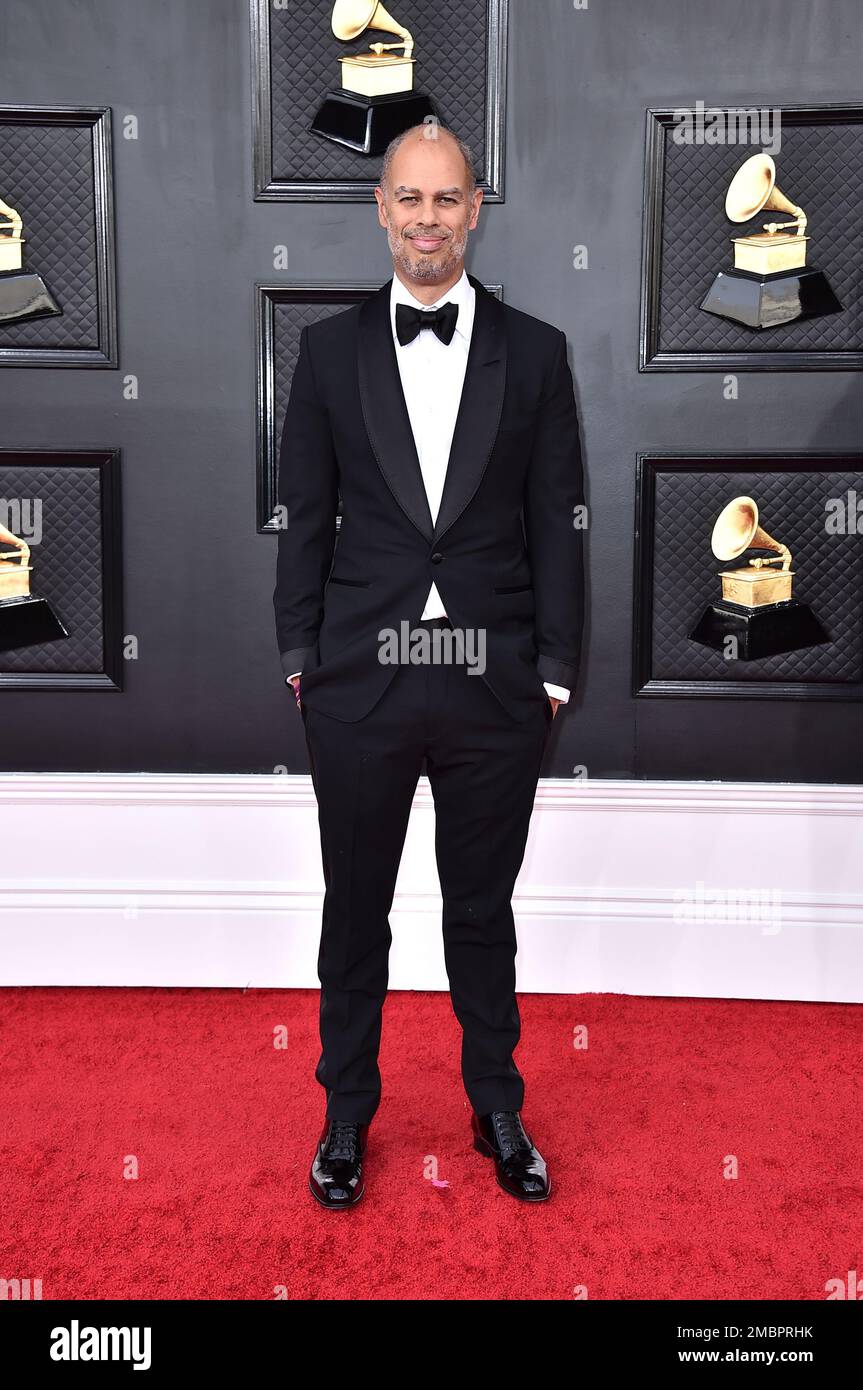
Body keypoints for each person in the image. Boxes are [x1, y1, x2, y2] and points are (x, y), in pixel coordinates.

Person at [273, 121, 586, 1208]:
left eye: (444, 199)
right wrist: (300, 661)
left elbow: (557, 522)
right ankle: (344, 1116)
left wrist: (551, 671)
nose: (424, 218)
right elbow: (303, 519)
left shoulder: (537, 352)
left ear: (475, 206)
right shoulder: (324, 352)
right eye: (406, 198)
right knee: (354, 908)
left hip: (493, 682)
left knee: (480, 908)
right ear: (379, 209)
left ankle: (496, 1103)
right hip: (361, 678)